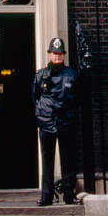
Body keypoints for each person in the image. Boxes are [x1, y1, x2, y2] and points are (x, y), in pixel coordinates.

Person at [32, 36, 79, 206]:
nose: (57, 56)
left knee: (68, 160)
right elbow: (35, 97)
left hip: (66, 122)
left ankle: (69, 194)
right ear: (49, 54)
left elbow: (78, 98)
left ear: (64, 55)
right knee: (47, 160)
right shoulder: (41, 75)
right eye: (54, 53)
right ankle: (47, 196)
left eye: (60, 54)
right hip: (47, 122)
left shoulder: (72, 75)